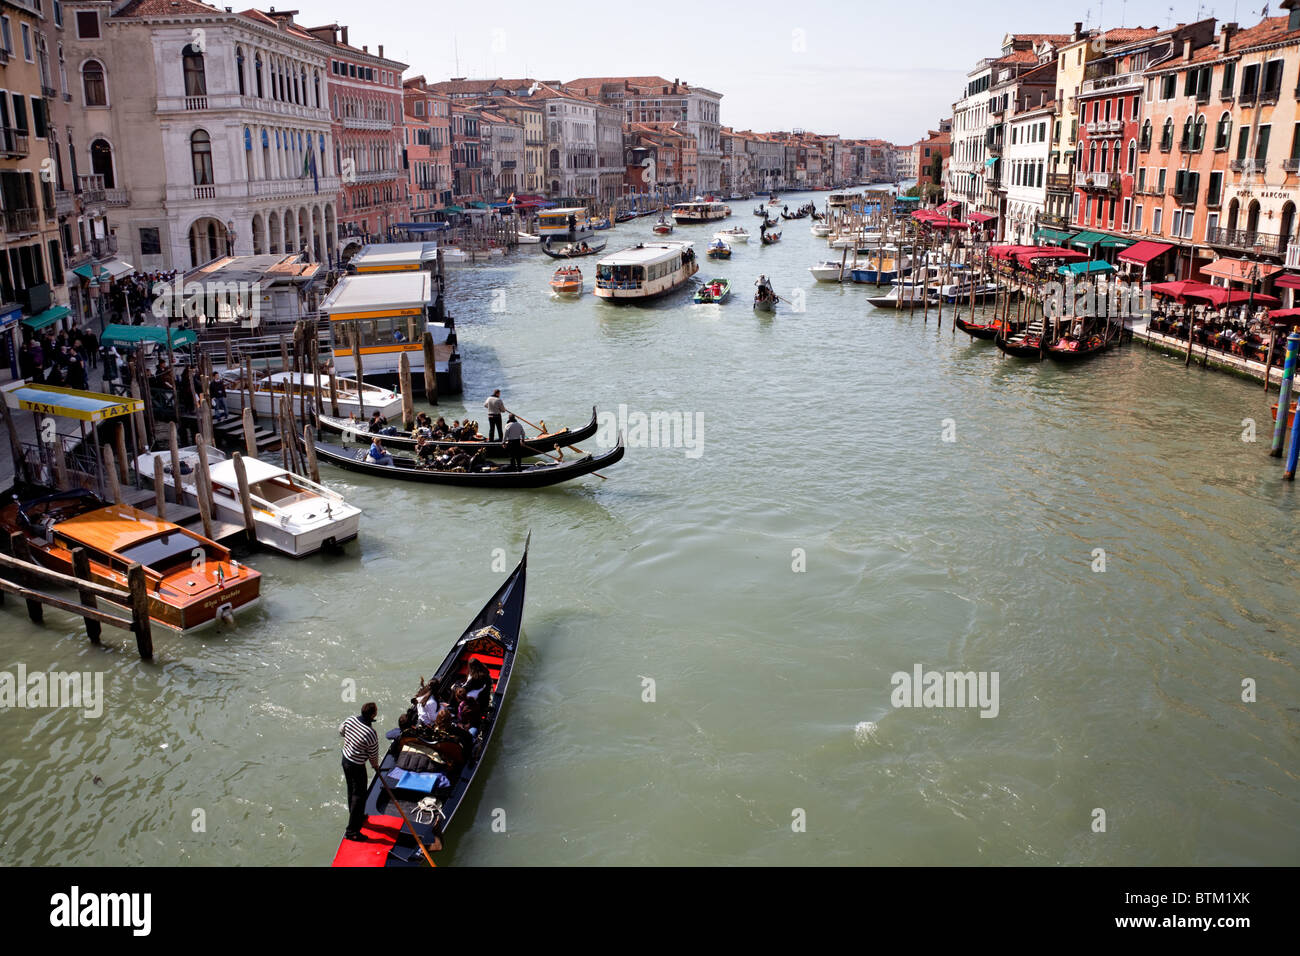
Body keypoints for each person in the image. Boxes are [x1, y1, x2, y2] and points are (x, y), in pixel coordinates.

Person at [339, 702, 381, 842]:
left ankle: (356, 815)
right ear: (373, 714)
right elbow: (373, 755)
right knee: (360, 795)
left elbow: (341, 731)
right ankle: (352, 832)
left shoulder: (350, 720)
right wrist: (375, 766)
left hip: (345, 760)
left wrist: (351, 741)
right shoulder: (370, 733)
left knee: (351, 790)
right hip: (357, 765)